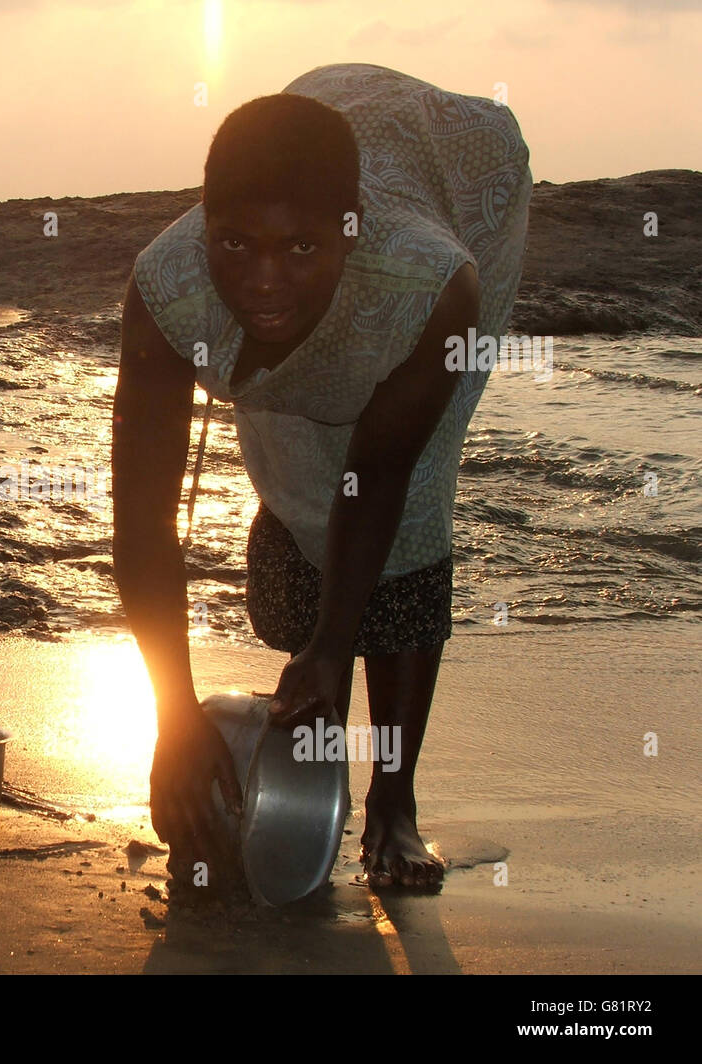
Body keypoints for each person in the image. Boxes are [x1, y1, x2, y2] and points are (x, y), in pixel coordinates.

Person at [113, 64, 531, 891]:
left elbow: (377, 477)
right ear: (205, 230)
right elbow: (141, 517)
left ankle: (395, 801)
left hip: (464, 174)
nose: (263, 281)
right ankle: (315, 678)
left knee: (411, 509)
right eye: (235, 245)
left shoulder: (433, 289)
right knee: (296, 464)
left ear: (350, 231)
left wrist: (335, 645)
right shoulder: (169, 292)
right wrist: (173, 718)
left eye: (300, 249)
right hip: (330, 114)